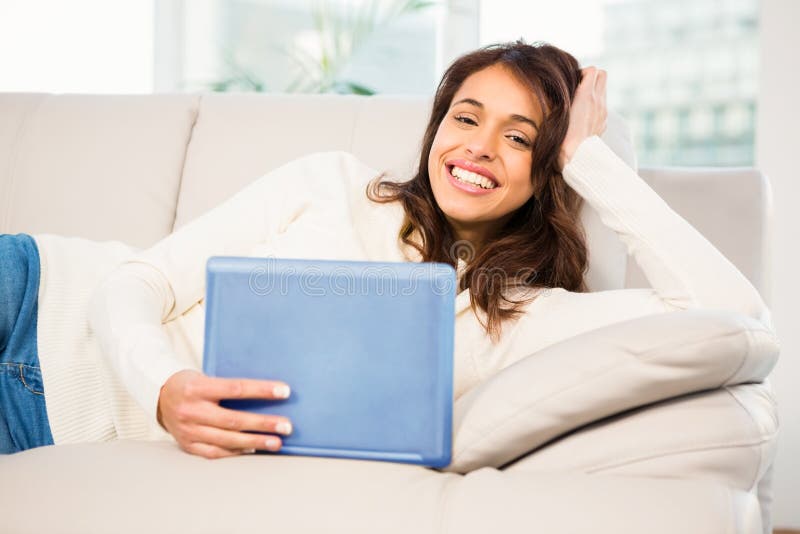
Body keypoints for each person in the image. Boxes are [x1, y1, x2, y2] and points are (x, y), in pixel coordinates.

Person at [0, 41, 772, 458]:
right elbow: (132, 284)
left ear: (545, 170)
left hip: (38, 420)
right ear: (436, 126)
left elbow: (731, 316)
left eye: (520, 137)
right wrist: (166, 388)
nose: (478, 149)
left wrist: (590, 159)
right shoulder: (331, 183)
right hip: (38, 292)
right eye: (466, 118)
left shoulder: (523, 320)